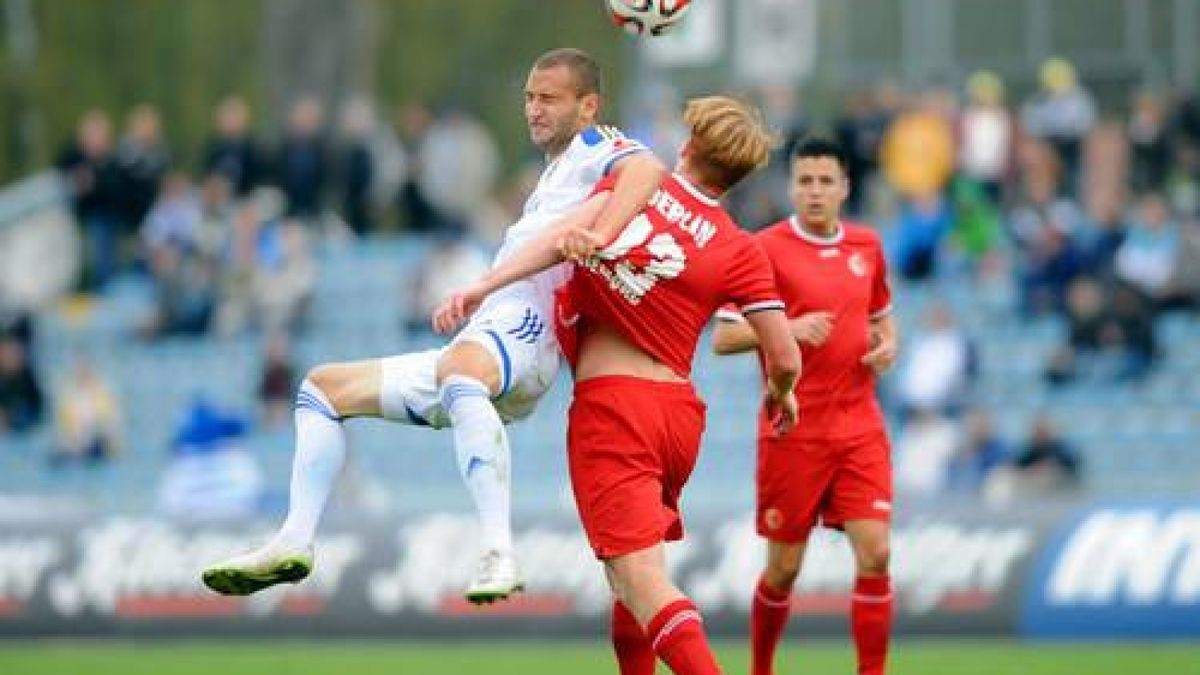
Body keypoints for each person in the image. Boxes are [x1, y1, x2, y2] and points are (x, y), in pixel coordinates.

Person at [201, 48, 665, 604]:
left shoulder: (598, 147)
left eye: (549, 99)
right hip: (489, 334)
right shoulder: (554, 172)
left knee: (461, 370)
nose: (533, 110)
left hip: (527, 333)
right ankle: (294, 540)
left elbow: (649, 170)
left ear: (588, 107)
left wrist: (599, 233)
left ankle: (498, 550)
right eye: (528, 98)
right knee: (322, 388)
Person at [434, 95, 800, 675]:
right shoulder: (740, 247)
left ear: (688, 145)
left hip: (615, 411)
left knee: (644, 582)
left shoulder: (637, 188)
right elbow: (783, 353)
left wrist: (485, 286)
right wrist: (782, 395)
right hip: (678, 417)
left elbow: (558, 239)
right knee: (625, 581)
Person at [712, 137, 899, 675]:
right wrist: (787, 329)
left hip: (860, 425)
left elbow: (883, 314)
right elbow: (723, 338)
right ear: (792, 187)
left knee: (877, 553)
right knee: (784, 569)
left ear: (845, 188)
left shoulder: (867, 247)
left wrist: (890, 343)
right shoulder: (762, 249)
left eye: (825, 181)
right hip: (792, 428)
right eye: (804, 181)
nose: (814, 191)